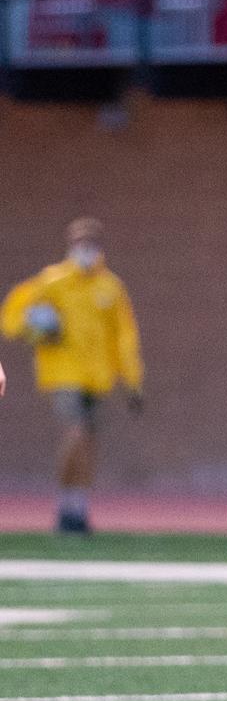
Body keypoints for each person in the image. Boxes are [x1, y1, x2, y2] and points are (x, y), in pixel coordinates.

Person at [1, 218, 144, 535]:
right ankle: (65, 504)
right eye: (80, 243)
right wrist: (35, 330)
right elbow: (12, 316)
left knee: (89, 442)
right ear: (70, 245)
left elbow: (124, 336)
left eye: (91, 243)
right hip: (63, 372)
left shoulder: (110, 287)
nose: (86, 249)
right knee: (76, 432)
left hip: (98, 376)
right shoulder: (53, 281)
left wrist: (132, 380)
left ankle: (78, 508)